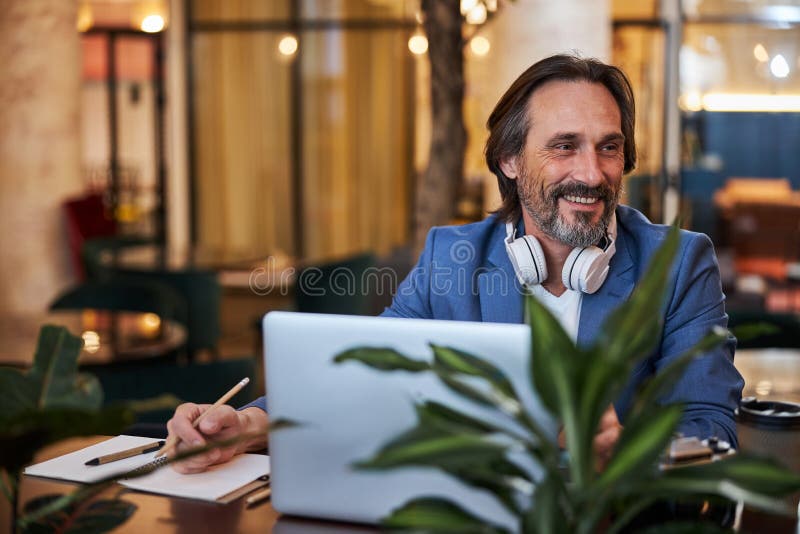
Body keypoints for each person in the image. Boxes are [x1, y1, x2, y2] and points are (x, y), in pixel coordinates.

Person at [166, 53, 743, 474]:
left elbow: (710, 427)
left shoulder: (680, 262)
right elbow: (364, 374)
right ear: (511, 160)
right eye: (564, 146)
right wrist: (249, 424)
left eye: (609, 147)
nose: (591, 174)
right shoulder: (454, 256)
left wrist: (629, 448)